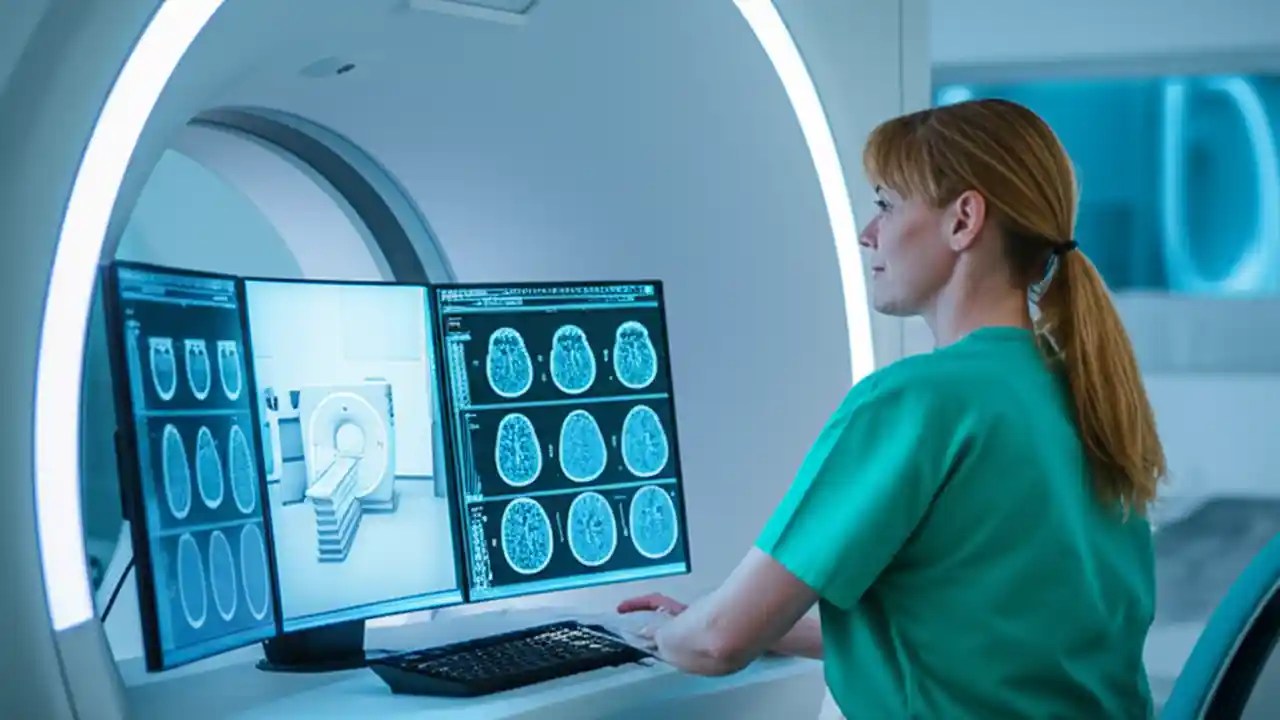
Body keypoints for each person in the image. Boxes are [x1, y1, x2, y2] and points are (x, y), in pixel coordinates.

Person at [617, 98, 1165, 718]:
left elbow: (719, 646)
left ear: (964, 221)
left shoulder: (917, 401)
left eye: (886, 205)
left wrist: (662, 637)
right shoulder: (1086, 393)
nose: (867, 233)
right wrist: (714, 618)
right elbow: (972, 637)